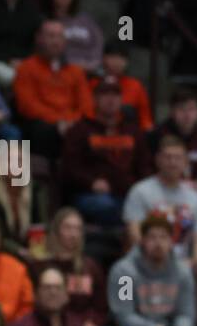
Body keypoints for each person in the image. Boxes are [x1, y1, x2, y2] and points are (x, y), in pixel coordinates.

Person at [60, 77, 146, 227]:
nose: (111, 100)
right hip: (92, 195)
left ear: (121, 100)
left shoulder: (133, 131)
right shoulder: (80, 130)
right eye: (105, 95)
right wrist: (91, 182)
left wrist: (140, 189)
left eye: (115, 95)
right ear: (95, 99)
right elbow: (69, 168)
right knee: (107, 206)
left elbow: (145, 166)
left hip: (129, 194)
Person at [11, 19, 93, 159]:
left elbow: (86, 106)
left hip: (72, 123)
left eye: (59, 36)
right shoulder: (26, 68)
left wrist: (70, 123)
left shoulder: (76, 71)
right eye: (51, 36)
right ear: (39, 39)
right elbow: (27, 106)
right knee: (41, 130)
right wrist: (59, 122)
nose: (55, 41)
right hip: (43, 125)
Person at [107, 213, 196, 326]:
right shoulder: (124, 273)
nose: (158, 243)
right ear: (142, 241)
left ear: (171, 242)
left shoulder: (182, 272)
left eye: (163, 237)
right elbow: (124, 315)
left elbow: (186, 313)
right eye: (152, 237)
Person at [123, 135, 197, 260]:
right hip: (148, 262)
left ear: (185, 162)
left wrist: (196, 265)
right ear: (158, 160)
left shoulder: (194, 197)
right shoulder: (140, 192)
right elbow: (135, 236)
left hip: (183, 267)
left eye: (178, 158)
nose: (173, 162)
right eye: (168, 157)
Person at [8, 266, 89, 326]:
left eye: (58, 288)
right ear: (36, 294)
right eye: (47, 288)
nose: (53, 292)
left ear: (66, 294)